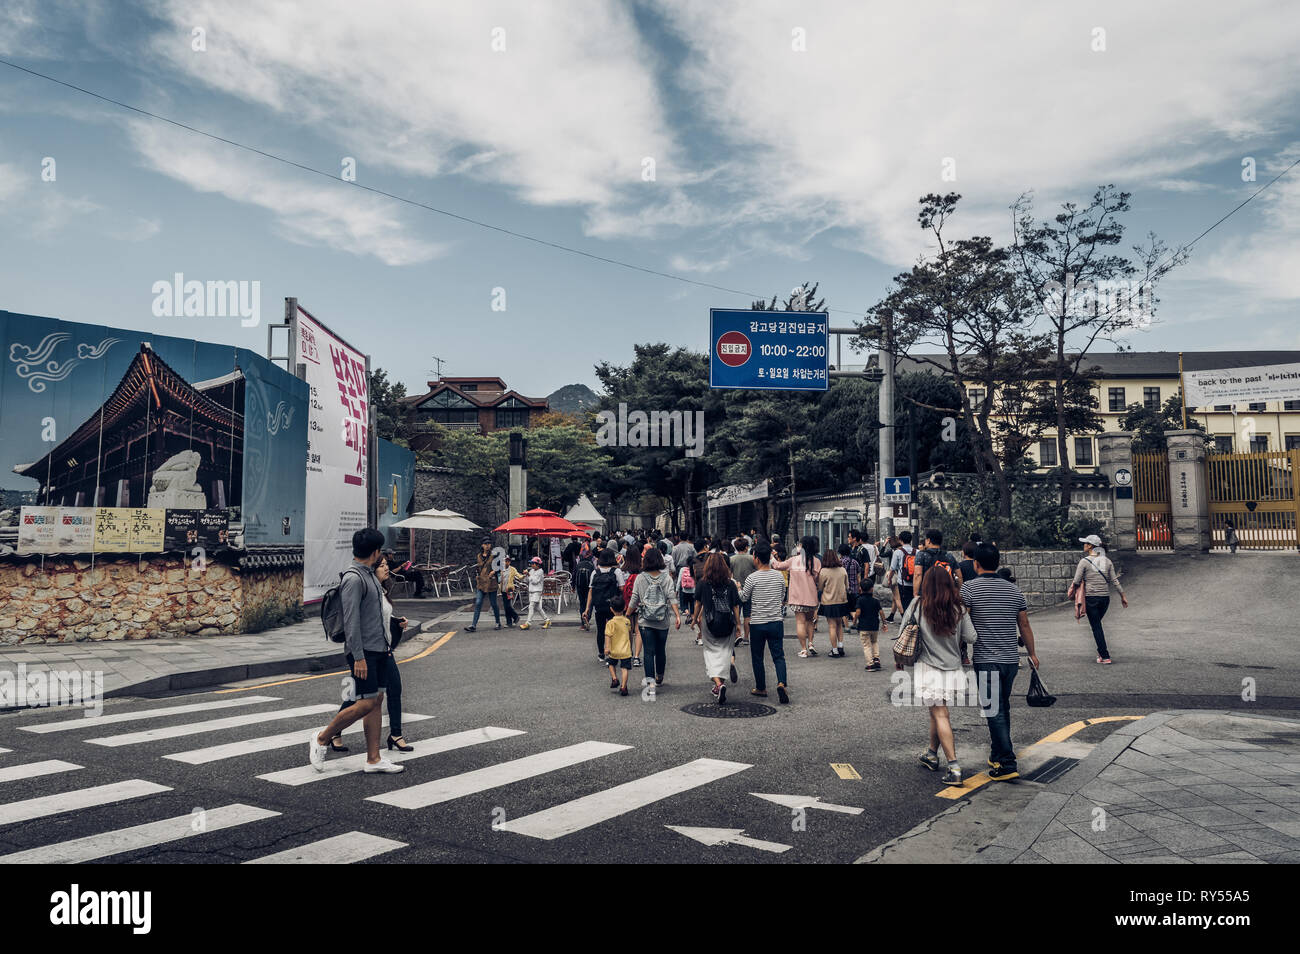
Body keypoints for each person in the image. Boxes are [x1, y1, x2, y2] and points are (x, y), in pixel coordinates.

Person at [309, 528, 404, 774]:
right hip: (364, 653)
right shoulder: (353, 578)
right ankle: (322, 737)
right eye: (380, 550)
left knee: (376, 701)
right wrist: (359, 656)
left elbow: (374, 616)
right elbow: (351, 622)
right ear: (375, 552)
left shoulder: (369, 575)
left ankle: (373, 759)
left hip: (380, 650)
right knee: (364, 703)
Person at [961, 542, 1039, 781]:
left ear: (976, 564)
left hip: (986, 659)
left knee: (994, 711)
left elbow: (961, 624)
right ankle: (996, 752)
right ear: (998, 564)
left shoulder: (968, 589)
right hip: (1010, 661)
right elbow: (1024, 625)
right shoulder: (1014, 591)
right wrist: (1033, 654)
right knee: (1002, 706)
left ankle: (1006, 762)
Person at [906, 567, 978, 785]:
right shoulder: (958, 608)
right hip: (953, 668)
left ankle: (954, 767)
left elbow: (904, 632)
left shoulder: (918, 605)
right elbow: (971, 637)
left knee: (941, 714)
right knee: (936, 712)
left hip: (929, 668)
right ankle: (931, 753)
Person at [628, 547, 681, 695]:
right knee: (660, 649)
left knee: (648, 652)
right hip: (662, 620)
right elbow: (672, 598)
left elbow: (634, 599)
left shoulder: (640, 578)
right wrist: (677, 616)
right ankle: (660, 676)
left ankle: (650, 685)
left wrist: (627, 614)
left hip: (645, 620)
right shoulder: (667, 578)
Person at [741, 543, 789, 704]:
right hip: (776, 621)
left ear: (756, 558)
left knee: (757, 656)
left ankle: (761, 687)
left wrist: (738, 587)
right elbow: (782, 596)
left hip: (758, 623)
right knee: (778, 656)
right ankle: (781, 683)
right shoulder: (778, 576)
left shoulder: (752, 578)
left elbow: (743, 598)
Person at [1068, 534, 1128, 664]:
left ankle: (1105, 656)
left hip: (1091, 599)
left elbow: (1076, 581)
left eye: (1085, 543)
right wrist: (1123, 596)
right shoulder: (1107, 562)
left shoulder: (1084, 562)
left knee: (1096, 627)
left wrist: (1072, 593)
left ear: (1090, 546)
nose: (1083, 545)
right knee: (1097, 625)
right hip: (1105, 599)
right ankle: (1101, 653)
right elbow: (1114, 581)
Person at [694, 552, 742, 704]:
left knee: (710, 655)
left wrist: (694, 619)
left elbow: (698, 604)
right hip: (728, 622)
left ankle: (718, 684)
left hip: (709, 622)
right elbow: (735, 605)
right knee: (725, 653)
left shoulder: (702, 583)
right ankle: (720, 683)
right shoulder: (731, 583)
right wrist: (739, 624)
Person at [774, 535, 821, 658]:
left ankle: (804, 649)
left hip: (797, 598)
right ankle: (811, 643)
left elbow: (777, 566)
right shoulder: (816, 561)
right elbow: (818, 579)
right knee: (810, 621)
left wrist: (771, 556)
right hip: (811, 597)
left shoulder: (793, 560)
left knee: (800, 623)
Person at [583, 548, 622, 662]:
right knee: (613, 629)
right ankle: (612, 652)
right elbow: (622, 588)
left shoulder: (595, 572)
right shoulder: (616, 572)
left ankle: (601, 653)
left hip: (599, 606)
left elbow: (591, 590)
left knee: (601, 630)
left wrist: (587, 608)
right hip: (613, 606)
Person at [817, 548, 850, 658]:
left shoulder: (823, 571)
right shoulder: (842, 570)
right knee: (839, 624)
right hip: (841, 600)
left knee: (832, 626)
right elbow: (847, 585)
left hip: (828, 601)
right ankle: (841, 647)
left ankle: (834, 650)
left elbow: (820, 587)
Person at [465, 538, 501, 632]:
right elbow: (478, 567)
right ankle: (473, 625)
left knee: (493, 604)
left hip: (491, 582)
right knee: (478, 602)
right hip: (481, 582)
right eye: (485, 544)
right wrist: (477, 575)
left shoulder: (494, 555)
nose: (487, 545)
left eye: (489, 543)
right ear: (482, 545)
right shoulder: (479, 556)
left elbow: (500, 566)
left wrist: (494, 571)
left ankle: (498, 622)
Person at [852, 579, 887, 671]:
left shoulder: (860, 600)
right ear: (872, 589)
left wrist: (854, 621)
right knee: (874, 642)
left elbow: (858, 612)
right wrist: (884, 623)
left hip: (864, 626)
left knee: (866, 645)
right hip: (874, 626)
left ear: (860, 589)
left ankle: (870, 664)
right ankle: (876, 660)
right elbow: (881, 612)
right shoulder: (875, 601)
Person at [604, 595, 634, 696]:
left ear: (611, 609)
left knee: (611, 664)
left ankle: (614, 678)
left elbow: (608, 635)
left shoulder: (610, 623)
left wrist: (607, 647)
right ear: (625, 607)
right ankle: (623, 687)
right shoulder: (627, 621)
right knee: (624, 668)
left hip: (614, 650)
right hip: (625, 650)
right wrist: (630, 646)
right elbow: (630, 634)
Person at [729, 537, 756, 645]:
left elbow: (729, 573)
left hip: (735, 588)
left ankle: (737, 634)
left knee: (736, 613)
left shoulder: (732, 559)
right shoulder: (752, 558)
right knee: (747, 615)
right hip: (749, 589)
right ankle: (746, 637)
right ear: (746, 547)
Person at [619, 546, 643, 667]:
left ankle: (629, 652)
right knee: (638, 630)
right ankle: (637, 657)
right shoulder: (642, 571)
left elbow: (621, 587)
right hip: (640, 603)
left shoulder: (622, 570)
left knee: (628, 628)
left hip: (626, 603)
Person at [888, 530, 917, 617]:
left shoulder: (897, 552)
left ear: (900, 540)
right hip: (915, 582)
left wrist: (889, 579)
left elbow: (892, 568)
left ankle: (908, 623)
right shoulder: (917, 552)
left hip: (903, 583)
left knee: (905, 604)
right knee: (914, 604)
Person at [520, 556, 552, 630]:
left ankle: (528, 623)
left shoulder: (540, 571)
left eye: (533, 563)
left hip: (537, 591)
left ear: (538, 564)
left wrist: (528, 575)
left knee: (531, 606)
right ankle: (547, 620)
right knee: (538, 608)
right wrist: (525, 576)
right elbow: (527, 580)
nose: (531, 565)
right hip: (531, 591)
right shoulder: (531, 571)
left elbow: (535, 581)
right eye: (531, 563)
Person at [837, 542, 861, 631]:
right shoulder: (854, 562)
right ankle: (855, 623)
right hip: (854, 588)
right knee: (853, 608)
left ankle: (846, 627)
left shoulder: (840, 562)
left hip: (843, 589)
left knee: (844, 608)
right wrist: (859, 586)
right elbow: (858, 575)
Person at [677, 554, 698, 642]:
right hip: (694, 590)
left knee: (685, 604)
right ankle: (692, 617)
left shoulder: (682, 569)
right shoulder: (695, 568)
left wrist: (677, 590)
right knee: (693, 605)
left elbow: (679, 580)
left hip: (685, 590)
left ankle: (688, 613)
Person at [574, 546, 595, 631]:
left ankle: (582, 623)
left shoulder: (578, 564)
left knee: (582, 603)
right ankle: (588, 617)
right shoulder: (591, 564)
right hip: (589, 586)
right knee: (589, 603)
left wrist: (573, 586)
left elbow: (574, 574)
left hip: (580, 587)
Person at [499, 554, 521, 629]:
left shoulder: (512, 569)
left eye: (508, 561)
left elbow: (518, 576)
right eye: (505, 561)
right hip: (503, 590)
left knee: (508, 606)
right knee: (506, 607)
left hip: (509, 590)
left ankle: (516, 616)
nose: (506, 562)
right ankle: (509, 622)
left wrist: (524, 576)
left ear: (510, 562)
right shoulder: (501, 569)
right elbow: (499, 579)